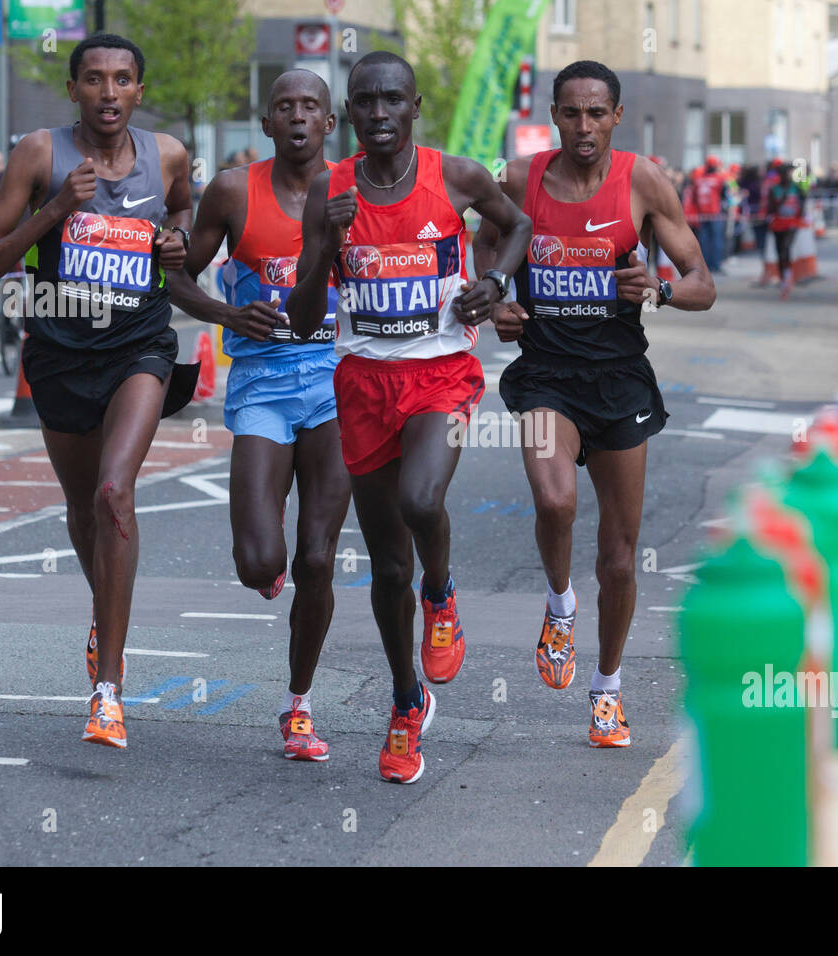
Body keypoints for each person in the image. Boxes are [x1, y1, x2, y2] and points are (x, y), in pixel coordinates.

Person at [287, 50, 531, 783]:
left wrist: (491, 281)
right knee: (387, 567)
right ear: (350, 113)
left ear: (415, 106)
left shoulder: (454, 176)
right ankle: (404, 704)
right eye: (366, 101)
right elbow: (302, 321)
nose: (380, 113)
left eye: (393, 99)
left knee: (423, 500)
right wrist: (326, 241)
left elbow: (515, 225)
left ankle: (443, 593)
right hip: (363, 385)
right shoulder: (328, 192)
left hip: (442, 376)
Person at [475, 60, 715, 748]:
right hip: (547, 372)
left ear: (616, 116)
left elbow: (702, 282)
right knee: (555, 502)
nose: (584, 126)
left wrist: (659, 290)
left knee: (618, 555)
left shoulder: (640, 181)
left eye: (596, 113)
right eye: (571, 113)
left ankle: (607, 690)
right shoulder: (519, 179)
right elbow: (485, 241)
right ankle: (558, 605)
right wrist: (497, 296)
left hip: (618, 379)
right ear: (554, 114)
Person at [0, 33, 199, 749]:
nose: (108, 92)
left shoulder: (166, 156)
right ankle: (106, 620)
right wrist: (52, 214)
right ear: (72, 90)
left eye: (123, 80)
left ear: (138, 90)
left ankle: (109, 688)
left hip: (139, 343)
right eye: (94, 79)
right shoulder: (40, 154)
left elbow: (187, 214)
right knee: (79, 506)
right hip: (62, 348)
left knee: (113, 494)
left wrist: (178, 240)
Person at [166, 70, 349, 761]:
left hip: (336, 378)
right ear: (266, 123)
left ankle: (298, 705)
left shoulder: (353, 192)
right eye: (284, 108)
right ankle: (263, 545)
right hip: (263, 382)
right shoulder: (235, 190)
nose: (298, 117)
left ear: (330, 124)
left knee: (318, 558)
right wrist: (226, 312)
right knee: (258, 563)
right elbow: (179, 277)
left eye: (310, 107)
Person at [767, 164, 803, 300]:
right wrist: (780, 202)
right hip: (778, 224)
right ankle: (783, 277)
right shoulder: (774, 189)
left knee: (785, 248)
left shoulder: (796, 188)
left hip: (792, 223)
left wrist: (802, 214)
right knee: (779, 252)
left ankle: (788, 276)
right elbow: (770, 208)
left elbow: (802, 203)